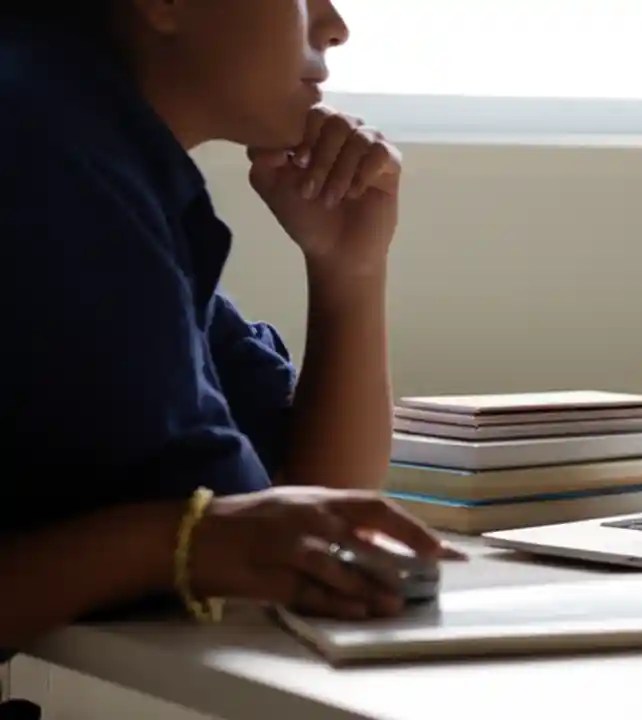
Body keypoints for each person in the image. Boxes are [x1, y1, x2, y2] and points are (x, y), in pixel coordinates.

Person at [0, 0, 461, 655]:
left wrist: (348, 273)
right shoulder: (43, 149)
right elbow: (253, 538)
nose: (333, 25)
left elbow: (309, 523)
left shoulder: (114, 164)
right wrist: (188, 541)